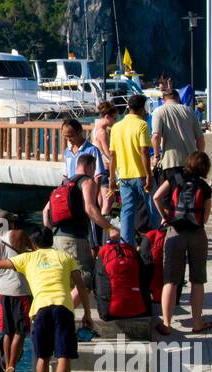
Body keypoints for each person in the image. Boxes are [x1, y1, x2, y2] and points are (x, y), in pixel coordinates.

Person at [0, 227, 91, 372]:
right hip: (63, 307)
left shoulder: (28, 258)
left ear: (34, 243)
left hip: (40, 309)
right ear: (51, 242)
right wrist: (87, 313)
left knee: (43, 356)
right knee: (64, 355)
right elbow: (80, 286)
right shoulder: (65, 258)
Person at [44, 154, 118, 310]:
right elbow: (90, 208)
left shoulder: (63, 184)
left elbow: (46, 212)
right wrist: (110, 228)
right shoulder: (87, 182)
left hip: (57, 239)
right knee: (86, 280)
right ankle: (65, 314)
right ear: (91, 167)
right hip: (74, 239)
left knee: (66, 281)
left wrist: (50, 235)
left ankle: (60, 315)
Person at [152, 151, 212, 335]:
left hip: (175, 233)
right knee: (197, 280)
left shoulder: (174, 178)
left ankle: (166, 324)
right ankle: (197, 323)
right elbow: (206, 218)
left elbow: (156, 197)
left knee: (170, 281)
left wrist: (165, 217)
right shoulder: (204, 186)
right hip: (197, 234)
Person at [0, 212, 33, 372]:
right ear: (10, 223)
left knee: (7, 332)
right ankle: (11, 368)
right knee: (20, 331)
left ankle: (8, 367)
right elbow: (35, 251)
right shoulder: (20, 234)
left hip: (3, 289)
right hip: (20, 289)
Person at [109, 94, 155, 245]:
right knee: (152, 209)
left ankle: (126, 245)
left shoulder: (116, 127)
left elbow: (112, 155)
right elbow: (144, 152)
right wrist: (148, 174)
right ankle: (156, 241)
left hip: (123, 176)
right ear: (142, 108)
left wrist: (112, 179)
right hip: (141, 175)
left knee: (127, 212)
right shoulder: (142, 125)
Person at [151, 88, 201, 183]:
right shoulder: (190, 111)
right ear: (178, 98)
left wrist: (156, 156)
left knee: (173, 194)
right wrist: (198, 157)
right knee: (189, 194)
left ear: (163, 100)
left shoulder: (159, 111)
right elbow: (200, 138)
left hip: (171, 162)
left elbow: (156, 137)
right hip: (191, 162)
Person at [90, 101, 116, 211]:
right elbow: (108, 153)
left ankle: (97, 225)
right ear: (107, 117)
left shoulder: (95, 128)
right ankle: (104, 225)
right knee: (108, 200)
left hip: (96, 167)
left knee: (99, 200)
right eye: (114, 118)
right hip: (104, 167)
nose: (116, 121)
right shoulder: (103, 132)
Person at [61, 118, 104, 182]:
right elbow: (65, 175)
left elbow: (98, 176)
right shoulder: (67, 151)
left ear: (79, 132)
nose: (68, 139)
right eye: (66, 136)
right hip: (70, 189)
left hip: (86, 190)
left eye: (70, 136)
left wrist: (95, 192)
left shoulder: (93, 150)